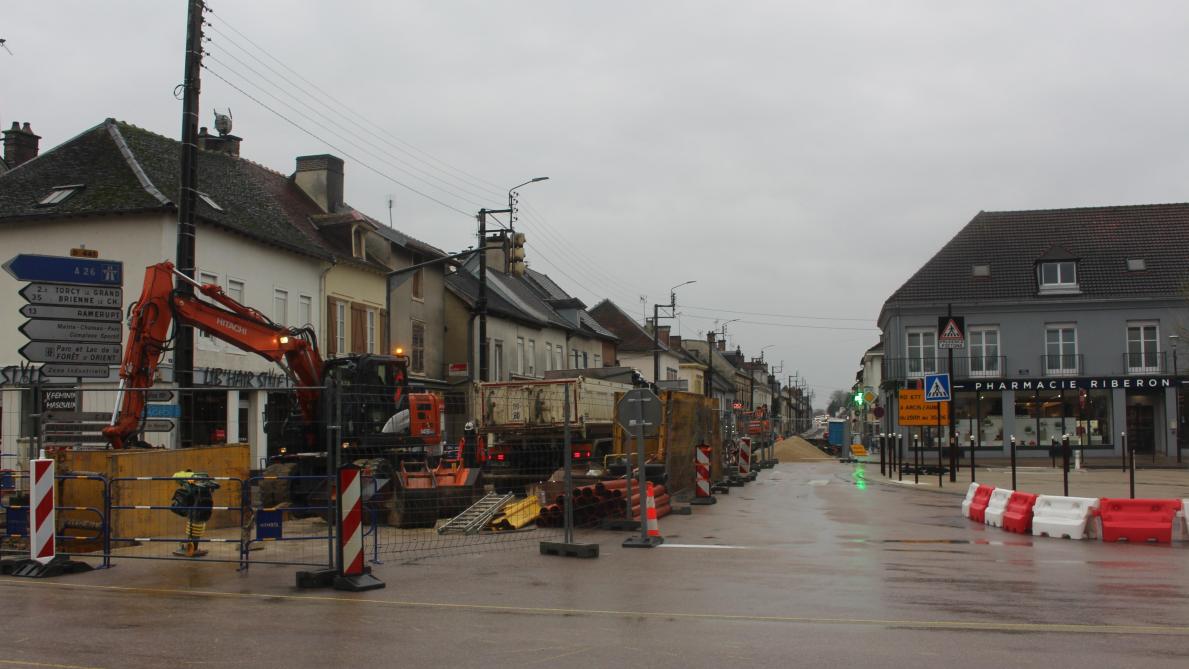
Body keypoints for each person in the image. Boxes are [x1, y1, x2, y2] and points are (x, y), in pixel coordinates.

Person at [170, 470, 220, 557]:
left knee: (196, 524)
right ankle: (192, 547)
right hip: (201, 505)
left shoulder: (187, 478)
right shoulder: (195, 480)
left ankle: (191, 547)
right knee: (196, 524)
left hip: (200, 505)